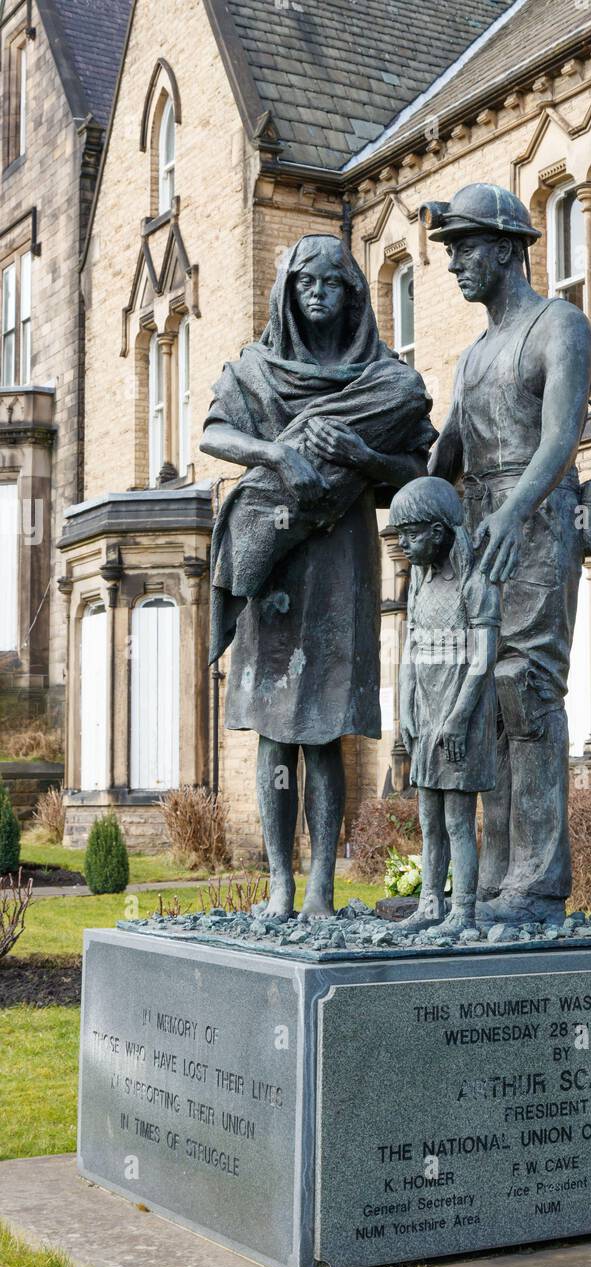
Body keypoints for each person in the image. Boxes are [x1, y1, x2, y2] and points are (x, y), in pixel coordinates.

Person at [201, 235, 435, 920]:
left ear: (354, 296)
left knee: (326, 730)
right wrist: (276, 456)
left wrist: (363, 456)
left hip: (341, 565)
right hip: (273, 561)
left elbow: (419, 475)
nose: (319, 293)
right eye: (306, 281)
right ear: (286, 292)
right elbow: (216, 432)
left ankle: (323, 890)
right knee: (276, 731)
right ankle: (279, 884)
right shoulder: (257, 370)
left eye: (333, 284)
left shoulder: (385, 382)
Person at [422, 183, 591, 926]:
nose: (455, 263)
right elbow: (449, 450)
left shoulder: (560, 325)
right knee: (483, 700)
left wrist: (513, 512)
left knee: (528, 691)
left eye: (464, 248)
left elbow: (560, 439)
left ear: (505, 248)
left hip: (538, 521)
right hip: (478, 529)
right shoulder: (472, 355)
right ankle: (490, 877)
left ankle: (540, 878)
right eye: (451, 250)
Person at [389, 476, 499, 931]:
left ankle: (463, 911)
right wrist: (404, 710)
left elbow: (481, 660)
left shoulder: (476, 583)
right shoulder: (418, 584)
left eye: (411, 534)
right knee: (428, 817)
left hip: (462, 717)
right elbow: (410, 652)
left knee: (457, 818)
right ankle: (430, 904)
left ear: (438, 532)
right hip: (427, 717)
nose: (403, 545)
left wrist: (456, 719)